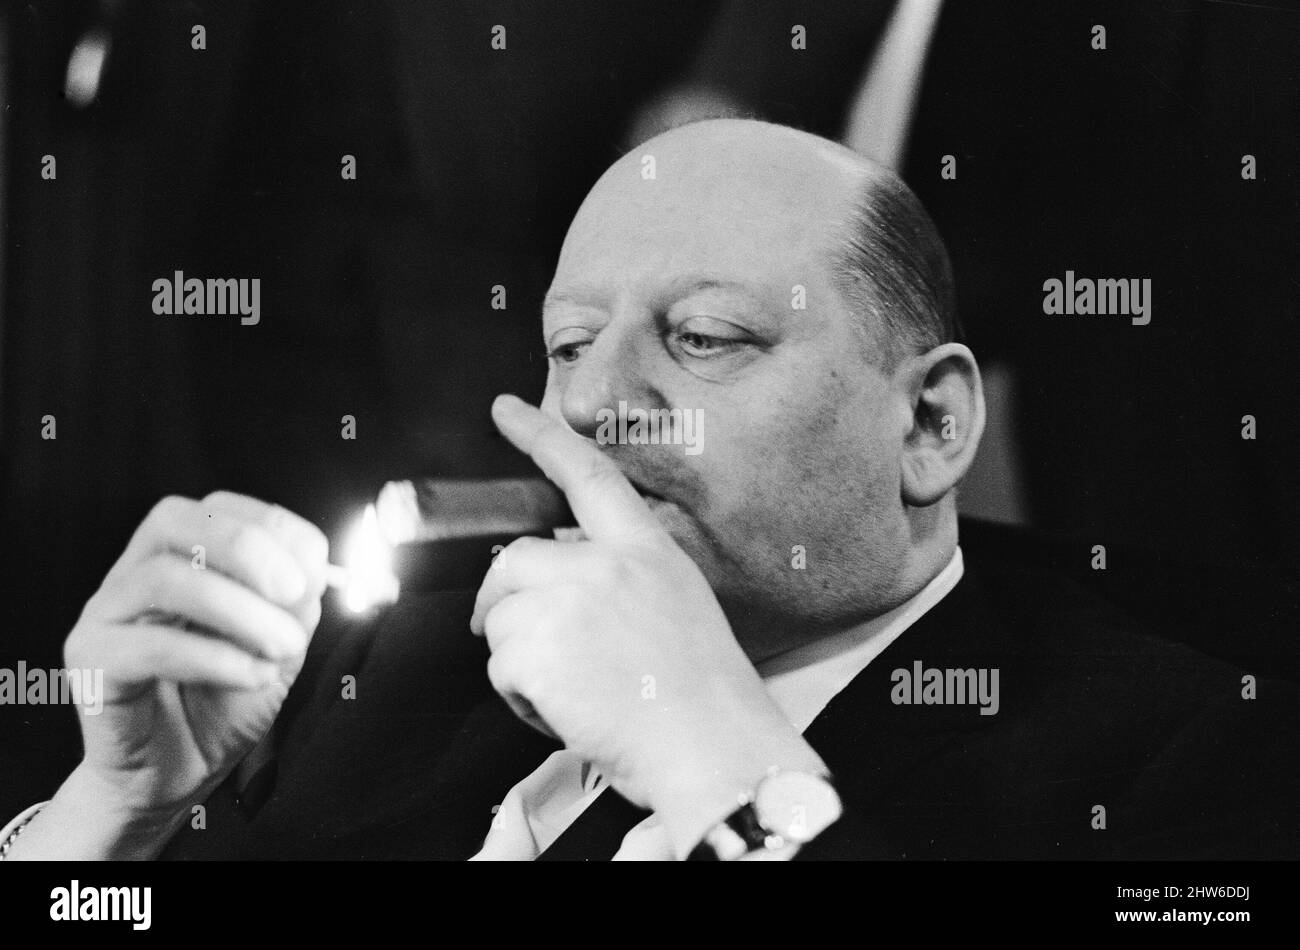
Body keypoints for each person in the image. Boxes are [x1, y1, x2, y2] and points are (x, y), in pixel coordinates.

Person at [3, 119, 1295, 861]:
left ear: (934, 422)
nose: (594, 406)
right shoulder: (398, 660)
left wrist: (725, 772)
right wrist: (108, 824)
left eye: (705, 338)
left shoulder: (1186, 759)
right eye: (570, 346)